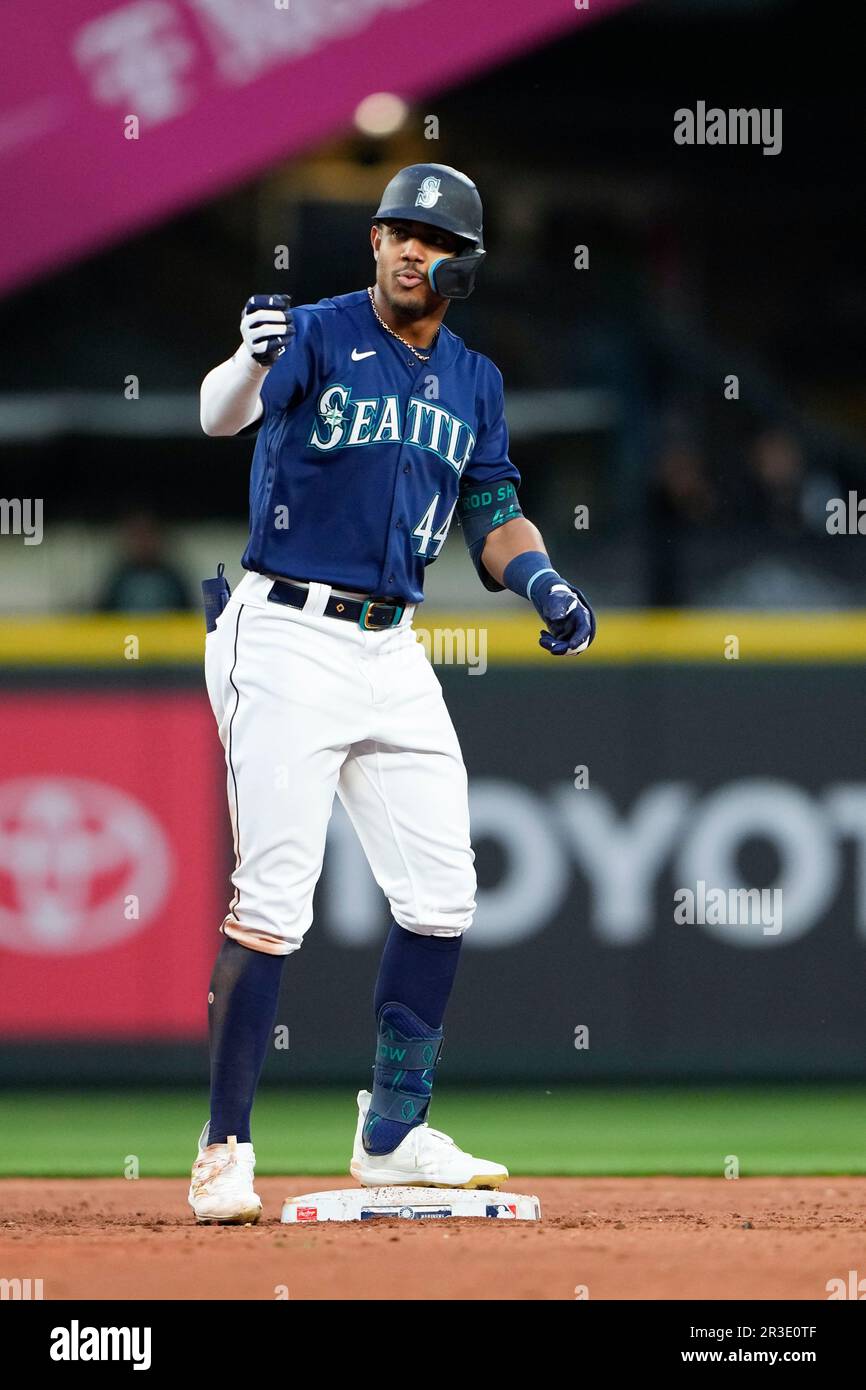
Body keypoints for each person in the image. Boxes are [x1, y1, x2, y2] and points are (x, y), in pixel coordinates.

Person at [189, 164, 596, 1223]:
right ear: (372, 243)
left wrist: (542, 581)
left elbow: (493, 510)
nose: (409, 249)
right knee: (274, 898)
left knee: (443, 891)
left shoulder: (473, 379)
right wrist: (247, 353)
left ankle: (394, 1135)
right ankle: (223, 1147)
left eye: (431, 237)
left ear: (461, 262)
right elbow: (217, 414)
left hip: (391, 647)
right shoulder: (313, 332)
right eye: (394, 232)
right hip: (282, 631)